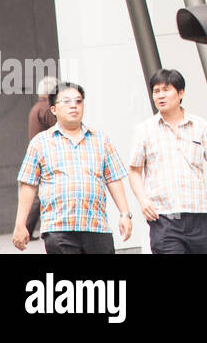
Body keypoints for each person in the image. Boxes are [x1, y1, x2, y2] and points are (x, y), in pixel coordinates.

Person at [12, 82, 133, 254]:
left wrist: (125, 214)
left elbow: (114, 178)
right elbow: (28, 184)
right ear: (53, 109)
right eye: (66, 102)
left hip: (97, 226)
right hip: (59, 228)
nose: (73, 106)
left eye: (78, 101)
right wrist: (20, 224)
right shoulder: (40, 143)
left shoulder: (101, 140)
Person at [127, 68, 207, 254]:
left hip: (199, 215)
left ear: (181, 93)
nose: (160, 95)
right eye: (156, 91)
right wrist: (144, 201)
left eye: (166, 89)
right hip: (165, 218)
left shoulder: (199, 125)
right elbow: (134, 171)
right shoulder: (145, 130)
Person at [23, 75, 58, 240]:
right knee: (38, 196)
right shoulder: (46, 108)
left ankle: (27, 229)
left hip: (40, 156)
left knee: (38, 195)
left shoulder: (37, 107)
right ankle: (27, 229)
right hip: (47, 156)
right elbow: (58, 128)